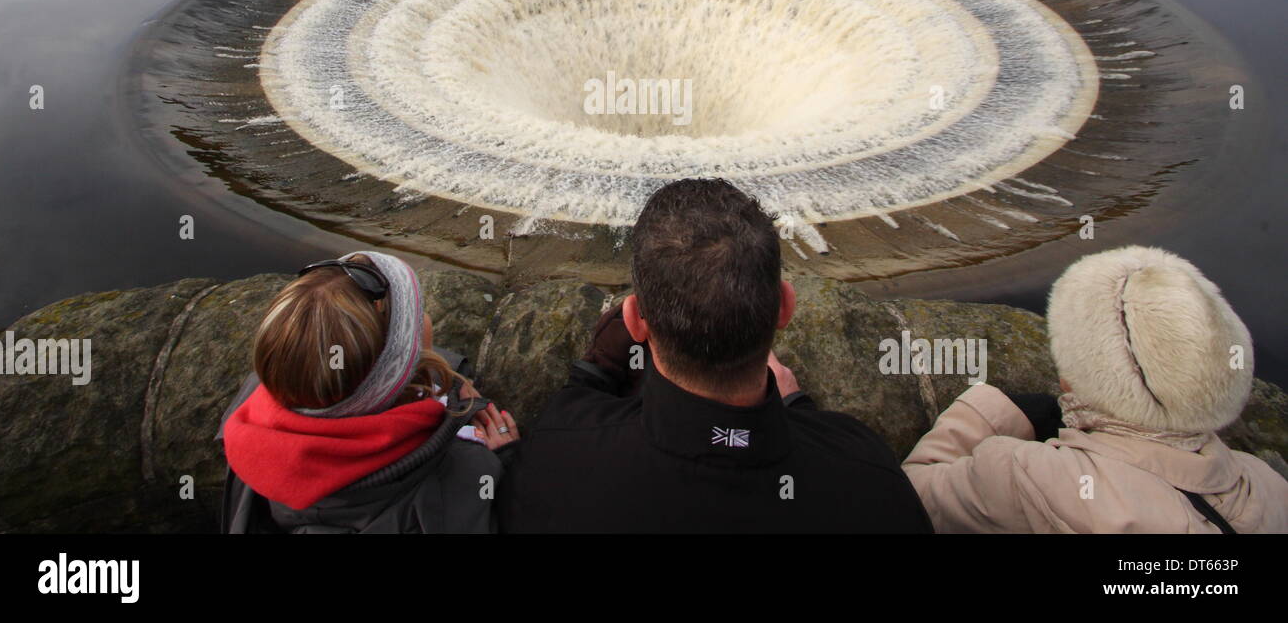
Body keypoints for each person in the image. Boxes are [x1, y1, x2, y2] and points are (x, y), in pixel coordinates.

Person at [497, 178, 933, 533]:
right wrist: (799, 408)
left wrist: (594, 373)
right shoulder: (868, 478)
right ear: (784, 307)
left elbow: (558, 441)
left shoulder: (560, 459)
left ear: (635, 321)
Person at [904, 245, 1288, 533]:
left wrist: (985, 408)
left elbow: (912, 495)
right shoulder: (1270, 487)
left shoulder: (1028, 476)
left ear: (1073, 378)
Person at [219, 251, 520, 533]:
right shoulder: (463, 474)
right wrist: (507, 461)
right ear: (401, 363)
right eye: (418, 313)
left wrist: (446, 378)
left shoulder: (254, 416)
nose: (424, 317)